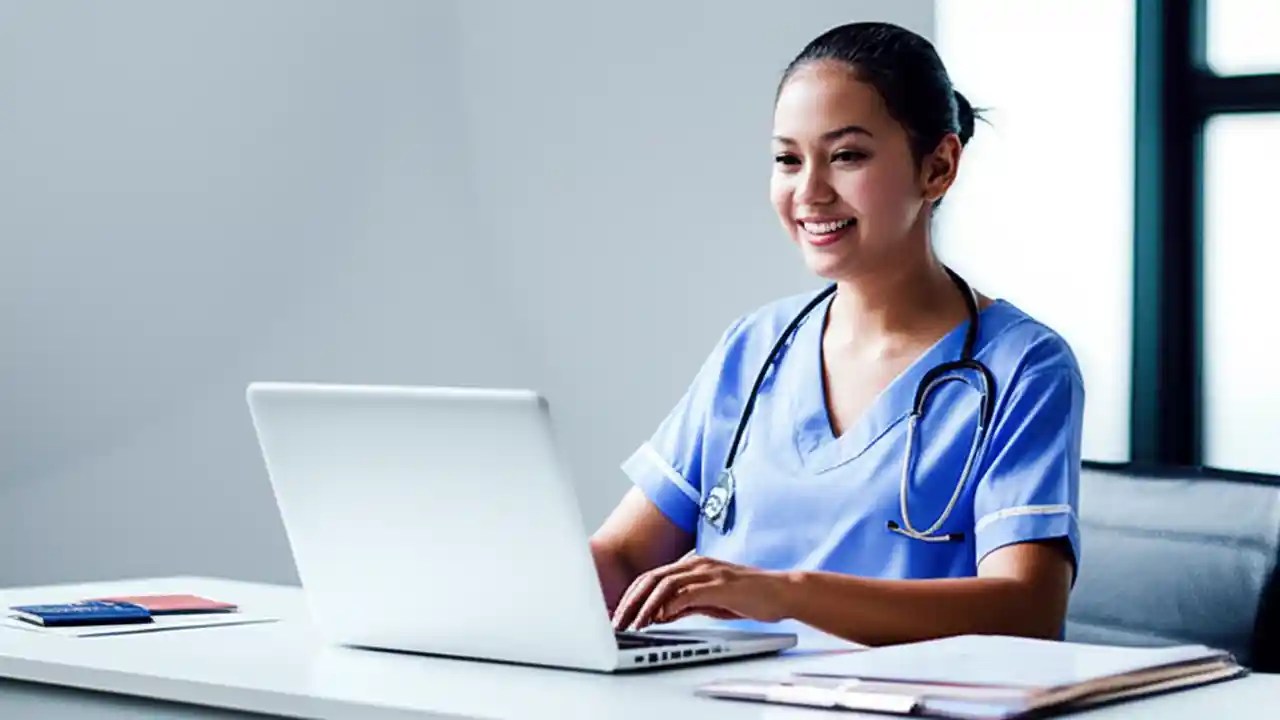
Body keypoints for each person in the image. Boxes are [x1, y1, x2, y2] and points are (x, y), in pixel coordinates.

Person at [589, 21, 1084, 646]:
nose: (810, 191)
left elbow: (1028, 610)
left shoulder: (1023, 367)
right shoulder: (757, 345)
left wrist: (781, 594)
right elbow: (627, 559)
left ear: (938, 167)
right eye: (788, 160)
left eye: (847, 156)